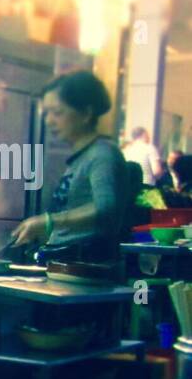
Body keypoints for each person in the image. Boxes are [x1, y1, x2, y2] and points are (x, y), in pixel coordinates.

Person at [12, 71, 132, 261]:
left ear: (86, 113)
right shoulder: (80, 157)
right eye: (47, 113)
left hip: (86, 269)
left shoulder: (102, 154)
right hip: (64, 264)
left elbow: (107, 207)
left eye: (58, 112)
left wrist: (49, 221)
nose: (49, 121)